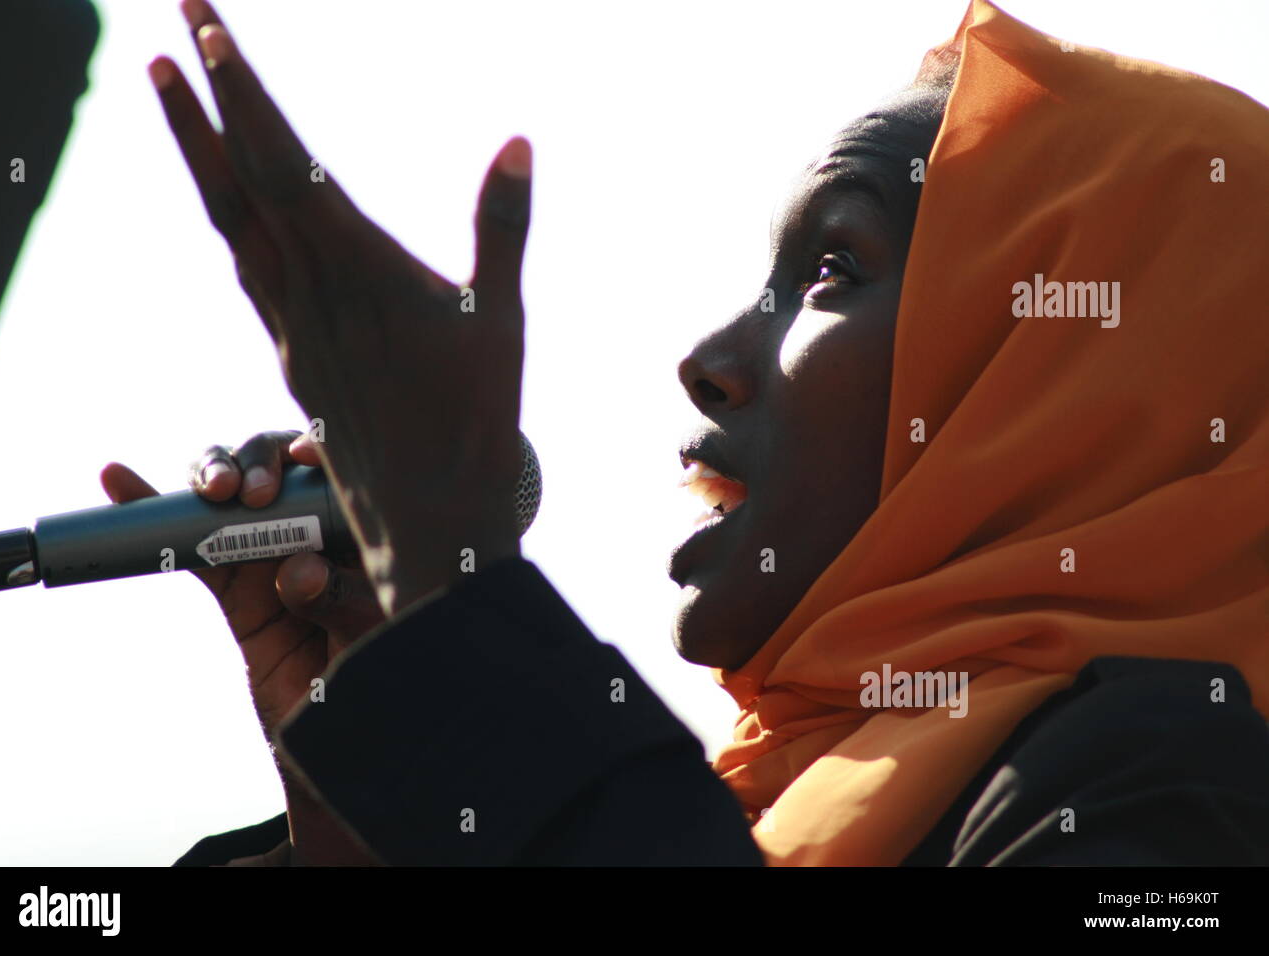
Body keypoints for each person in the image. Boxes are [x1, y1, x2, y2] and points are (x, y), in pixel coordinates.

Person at [105, 0, 1269, 864]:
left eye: (831, 267)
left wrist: (454, 585)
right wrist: (363, 808)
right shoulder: (754, 795)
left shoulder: (1184, 793)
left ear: (1073, 390)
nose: (706, 359)